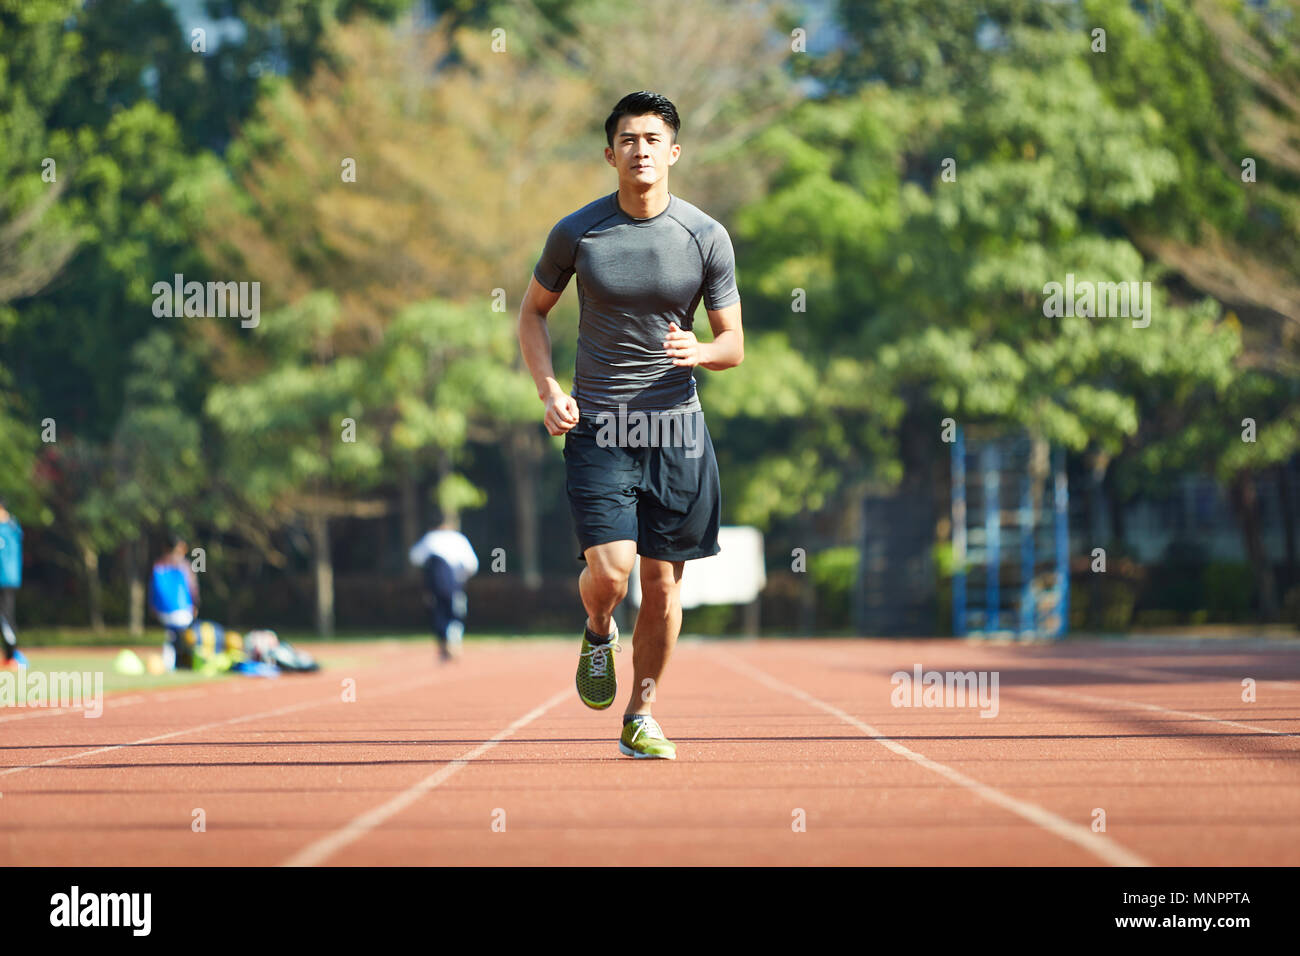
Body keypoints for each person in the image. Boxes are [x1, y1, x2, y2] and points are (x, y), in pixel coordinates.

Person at [517, 91, 744, 759]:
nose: (640, 149)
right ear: (609, 152)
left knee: (663, 583)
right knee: (613, 575)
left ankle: (641, 715)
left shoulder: (705, 236)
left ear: (673, 152)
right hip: (602, 428)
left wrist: (699, 350)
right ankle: (596, 628)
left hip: (676, 430)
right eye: (628, 139)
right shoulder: (578, 233)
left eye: (652, 139)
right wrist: (548, 388)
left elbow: (733, 344)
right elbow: (532, 313)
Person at [409, 519, 479, 662]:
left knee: (438, 614)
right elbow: (472, 565)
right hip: (454, 585)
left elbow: (415, 557)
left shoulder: (431, 538)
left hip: (434, 584)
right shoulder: (459, 539)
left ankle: (443, 645)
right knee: (455, 614)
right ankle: (454, 644)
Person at [148, 534, 199, 671]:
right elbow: (192, 587)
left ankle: (169, 664)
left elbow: (153, 588)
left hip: (163, 610)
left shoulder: (158, 564)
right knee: (185, 636)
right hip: (183, 608)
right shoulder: (184, 565)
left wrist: (153, 605)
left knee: (171, 636)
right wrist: (195, 604)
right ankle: (185, 662)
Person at [0, 498, 27, 670]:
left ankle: (12, 656)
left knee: (6, 618)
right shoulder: (12, 526)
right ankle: (10, 655)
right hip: (8, 578)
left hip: (5, 579)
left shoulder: (9, 528)